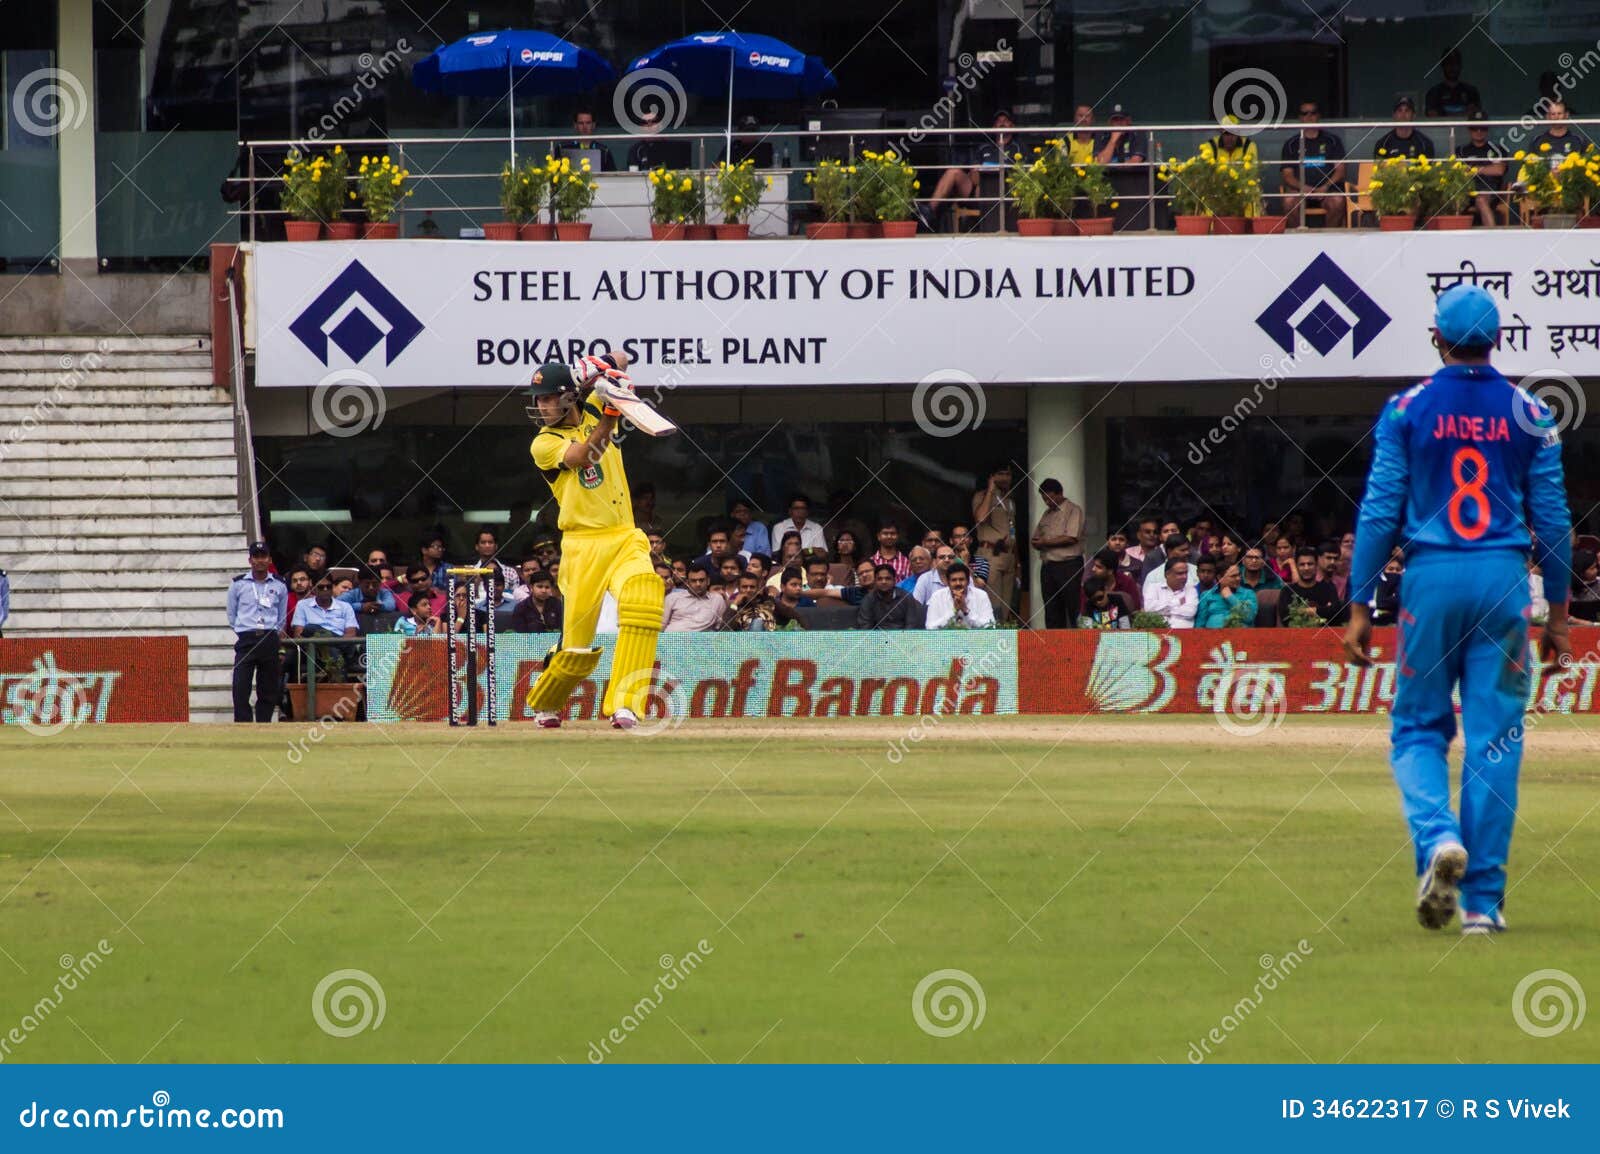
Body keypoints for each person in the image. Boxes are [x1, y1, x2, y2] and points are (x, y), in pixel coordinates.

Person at [1344, 283, 1572, 935]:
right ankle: (1483, 906)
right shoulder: (1531, 412)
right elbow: (1552, 520)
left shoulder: (1406, 409)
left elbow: (1381, 508)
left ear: (1436, 339)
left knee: (1417, 730)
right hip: (1504, 581)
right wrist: (1556, 612)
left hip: (1429, 580)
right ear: (1497, 340)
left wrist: (1359, 602)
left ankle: (1438, 835)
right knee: (1495, 740)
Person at [523, 351, 664, 730]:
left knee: (643, 598)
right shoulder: (544, 443)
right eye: (538, 399)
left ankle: (626, 704)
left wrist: (597, 368)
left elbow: (625, 356)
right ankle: (547, 700)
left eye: (549, 397)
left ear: (570, 396)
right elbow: (588, 455)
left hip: (624, 535)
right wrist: (613, 414)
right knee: (576, 647)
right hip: (582, 545)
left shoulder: (595, 406)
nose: (542, 405)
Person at [228, 541, 288, 723]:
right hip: (247, 638)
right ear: (250, 560)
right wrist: (243, 629)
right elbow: (232, 614)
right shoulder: (238, 584)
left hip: (269, 637)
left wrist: (276, 635)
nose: (260, 561)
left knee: (268, 687)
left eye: (264, 557)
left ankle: (264, 723)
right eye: (256, 557)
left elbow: (282, 616)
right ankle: (243, 724)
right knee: (240, 685)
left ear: (269, 559)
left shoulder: (279, 585)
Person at [928, 110, 1016, 227]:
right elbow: (973, 176)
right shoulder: (983, 148)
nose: (1002, 123)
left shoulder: (1019, 147)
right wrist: (980, 172)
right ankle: (928, 213)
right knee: (953, 172)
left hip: (1006, 194)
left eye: (1005, 121)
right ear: (993, 127)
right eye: (998, 122)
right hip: (980, 193)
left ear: (1012, 126)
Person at [1280, 100, 1347, 226]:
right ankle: (1298, 239)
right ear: (1300, 117)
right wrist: (1303, 188)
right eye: (1305, 113)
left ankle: (1328, 239)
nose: (1309, 116)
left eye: (1313, 113)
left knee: (1337, 201)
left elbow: (1341, 170)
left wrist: (1325, 187)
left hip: (1327, 190)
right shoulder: (1291, 144)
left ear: (1318, 116)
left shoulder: (1332, 140)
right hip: (1300, 190)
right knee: (1289, 201)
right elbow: (1287, 175)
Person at [1032, 477, 1085, 629]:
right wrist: (1037, 542)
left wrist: (1045, 543)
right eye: (1044, 499)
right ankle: (1054, 648)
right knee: (1051, 609)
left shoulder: (1073, 510)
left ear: (1059, 493)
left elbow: (1071, 537)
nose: (1047, 502)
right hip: (1048, 566)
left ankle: (1079, 646)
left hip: (1068, 566)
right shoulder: (1047, 514)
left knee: (1074, 607)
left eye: (1049, 498)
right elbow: (1036, 536)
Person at [971, 464, 1017, 609]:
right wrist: (990, 490)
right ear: (992, 476)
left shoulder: (1010, 500)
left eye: (1008, 474)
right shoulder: (982, 496)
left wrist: (1018, 563)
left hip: (1009, 555)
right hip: (990, 554)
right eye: (1001, 474)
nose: (1005, 478)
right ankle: (993, 632)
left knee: (1006, 607)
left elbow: (1013, 531)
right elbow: (981, 518)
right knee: (992, 605)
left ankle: (1003, 631)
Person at [1456, 109, 1507, 228]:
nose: (1479, 131)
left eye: (1482, 128)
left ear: (1487, 128)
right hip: (1466, 191)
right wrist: (1486, 168)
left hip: (1490, 192)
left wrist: (1473, 169)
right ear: (1469, 129)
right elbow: (1458, 172)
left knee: (1481, 200)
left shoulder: (1496, 149)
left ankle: (1492, 237)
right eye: (1475, 128)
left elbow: (1499, 170)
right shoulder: (1461, 150)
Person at [1277, 546, 1342, 625]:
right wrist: (1322, 610)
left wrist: (1303, 611)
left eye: (1310, 564)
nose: (1306, 568)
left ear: (1316, 565)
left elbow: (1336, 613)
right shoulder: (1287, 590)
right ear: (1296, 567)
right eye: (1302, 564)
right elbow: (1285, 617)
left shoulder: (1329, 588)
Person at [925, 561, 995, 629]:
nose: (958, 583)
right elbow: (930, 627)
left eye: (961, 579)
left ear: (968, 581)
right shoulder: (937, 596)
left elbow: (990, 627)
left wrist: (966, 610)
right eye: (954, 580)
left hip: (974, 639)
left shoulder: (981, 595)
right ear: (948, 582)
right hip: (947, 639)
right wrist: (954, 611)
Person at [662, 561, 726, 632]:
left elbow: (720, 627)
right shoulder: (672, 597)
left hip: (701, 641)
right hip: (671, 640)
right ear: (687, 583)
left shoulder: (717, 599)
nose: (698, 584)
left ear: (708, 581)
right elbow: (662, 624)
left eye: (701, 580)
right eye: (693, 581)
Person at [855, 563, 917, 630]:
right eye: (880, 579)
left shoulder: (907, 598)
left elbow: (911, 625)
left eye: (888, 578)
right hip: (877, 638)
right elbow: (865, 626)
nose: (883, 582)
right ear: (875, 581)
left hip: (902, 637)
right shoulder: (868, 599)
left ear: (894, 580)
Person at [1195, 562, 1258, 628]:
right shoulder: (1207, 595)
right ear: (1220, 577)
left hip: (1240, 635)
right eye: (1233, 576)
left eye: (1239, 575)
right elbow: (1200, 623)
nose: (1238, 578)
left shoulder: (1248, 593)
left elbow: (1249, 617)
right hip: (1212, 636)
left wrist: (1230, 597)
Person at [1425, 49, 1481, 118]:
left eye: (1455, 63)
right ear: (1443, 66)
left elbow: (1476, 116)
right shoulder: (1434, 92)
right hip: (1441, 129)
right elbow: (1432, 116)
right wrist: (1463, 114)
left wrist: (1444, 114)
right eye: (1448, 64)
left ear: (1460, 66)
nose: (1452, 67)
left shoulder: (1471, 91)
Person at [1374, 95, 1434, 160]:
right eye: (1400, 110)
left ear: (1413, 115)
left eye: (1407, 110)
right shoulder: (1383, 144)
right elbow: (1379, 168)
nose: (1403, 114)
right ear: (1394, 115)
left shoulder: (1425, 144)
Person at [1143, 557, 1197, 628]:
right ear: (1167, 574)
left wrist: (1162, 610)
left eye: (1186, 573)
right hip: (1158, 632)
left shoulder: (1191, 589)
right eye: (1180, 573)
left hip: (1185, 634)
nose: (1185, 576)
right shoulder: (1153, 588)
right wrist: (1177, 602)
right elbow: (1149, 609)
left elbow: (1190, 612)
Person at [510, 567, 563, 633]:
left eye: (547, 587)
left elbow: (562, 630)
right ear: (531, 587)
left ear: (551, 588)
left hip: (555, 642)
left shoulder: (557, 604)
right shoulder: (521, 608)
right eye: (540, 586)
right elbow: (520, 634)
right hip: (528, 642)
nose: (544, 590)